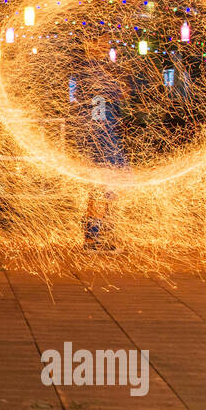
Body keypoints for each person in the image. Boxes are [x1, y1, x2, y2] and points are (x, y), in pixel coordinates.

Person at [69, 35, 132, 252]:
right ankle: (95, 236)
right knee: (104, 189)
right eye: (101, 43)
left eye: (107, 43)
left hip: (102, 140)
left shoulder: (92, 73)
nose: (106, 47)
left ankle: (95, 234)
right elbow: (114, 97)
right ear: (90, 46)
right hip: (103, 141)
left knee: (105, 190)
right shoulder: (95, 75)